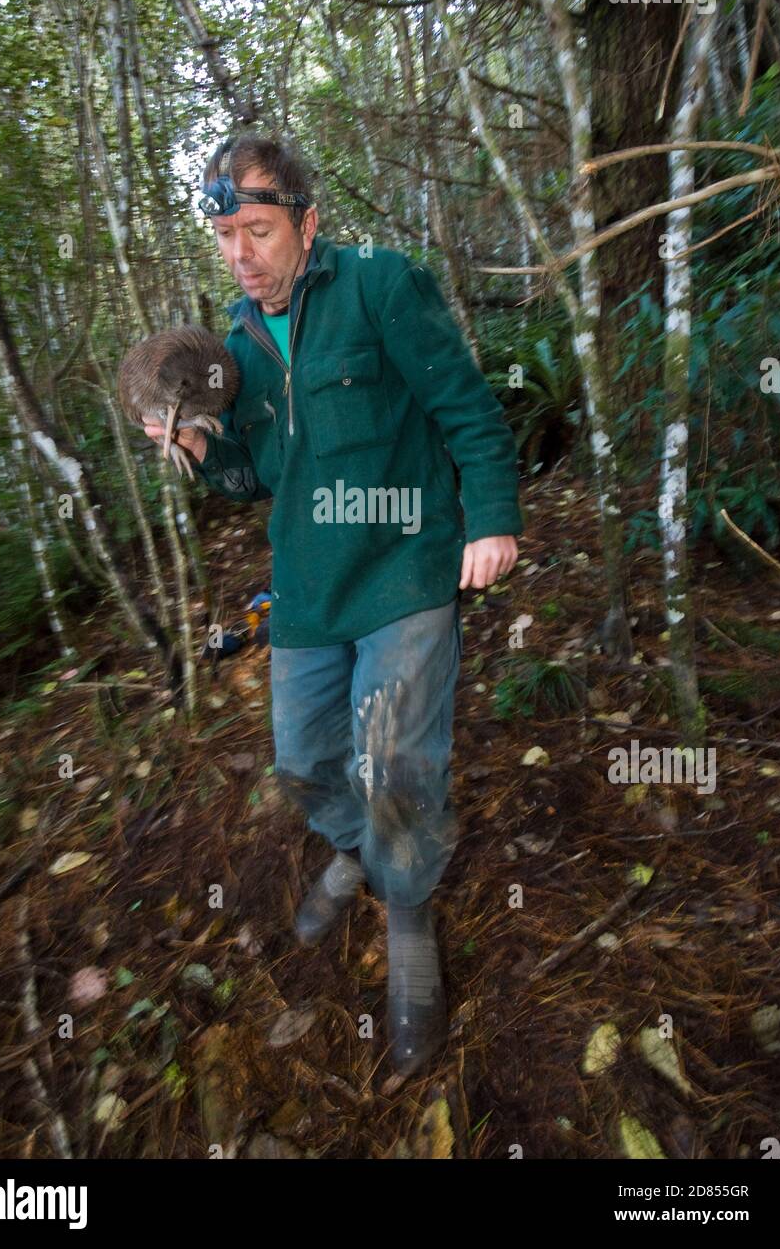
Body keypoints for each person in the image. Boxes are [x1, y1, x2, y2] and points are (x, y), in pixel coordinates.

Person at [145, 135, 524, 1076]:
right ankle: (355, 848)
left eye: (260, 231)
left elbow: (464, 408)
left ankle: (407, 919)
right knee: (307, 757)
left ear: (307, 224)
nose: (242, 254)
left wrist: (491, 519)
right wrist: (200, 452)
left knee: (394, 755)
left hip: (405, 567)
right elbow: (256, 475)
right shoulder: (236, 349)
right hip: (310, 586)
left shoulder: (381, 287)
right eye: (227, 235)